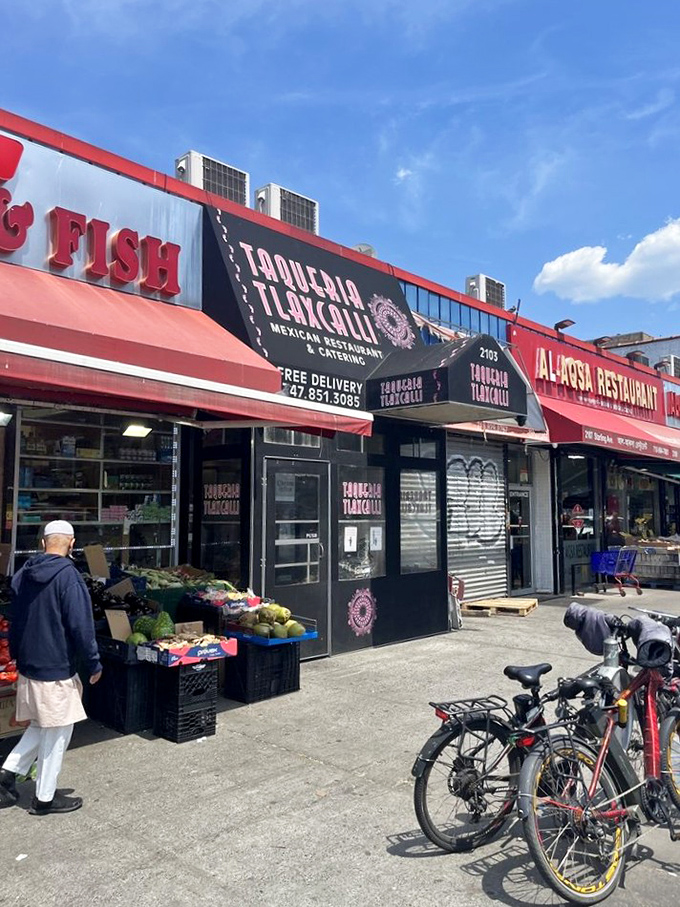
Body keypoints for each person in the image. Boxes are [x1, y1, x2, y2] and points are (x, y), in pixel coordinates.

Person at [0, 521, 102, 815]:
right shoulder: (69, 578)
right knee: (58, 732)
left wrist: (16, 654)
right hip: (56, 667)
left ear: (43, 543)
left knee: (41, 724)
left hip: (29, 665)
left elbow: (13, 619)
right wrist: (93, 662)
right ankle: (44, 798)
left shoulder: (23, 574)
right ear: (72, 544)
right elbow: (81, 627)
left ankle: (7, 773)